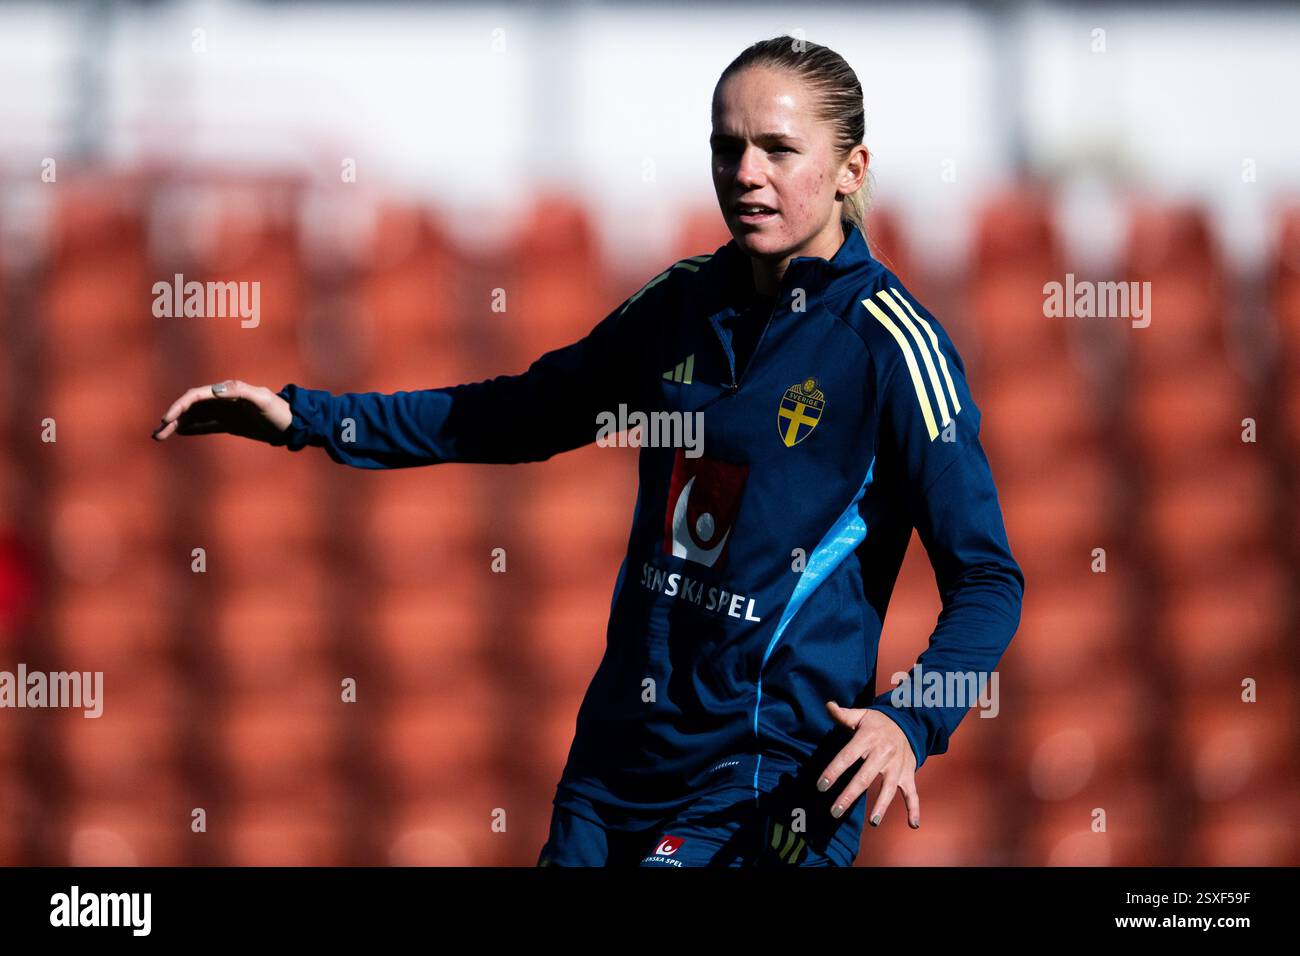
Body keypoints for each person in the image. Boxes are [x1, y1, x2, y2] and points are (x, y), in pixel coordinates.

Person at [153, 35, 1023, 867]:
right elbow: (522, 413)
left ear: (850, 171)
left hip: (769, 781)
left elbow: (989, 580)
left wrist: (913, 718)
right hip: (617, 763)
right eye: (727, 147)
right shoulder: (682, 302)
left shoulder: (893, 348)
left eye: (779, 149)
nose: (745, 173)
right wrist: (307, 418)